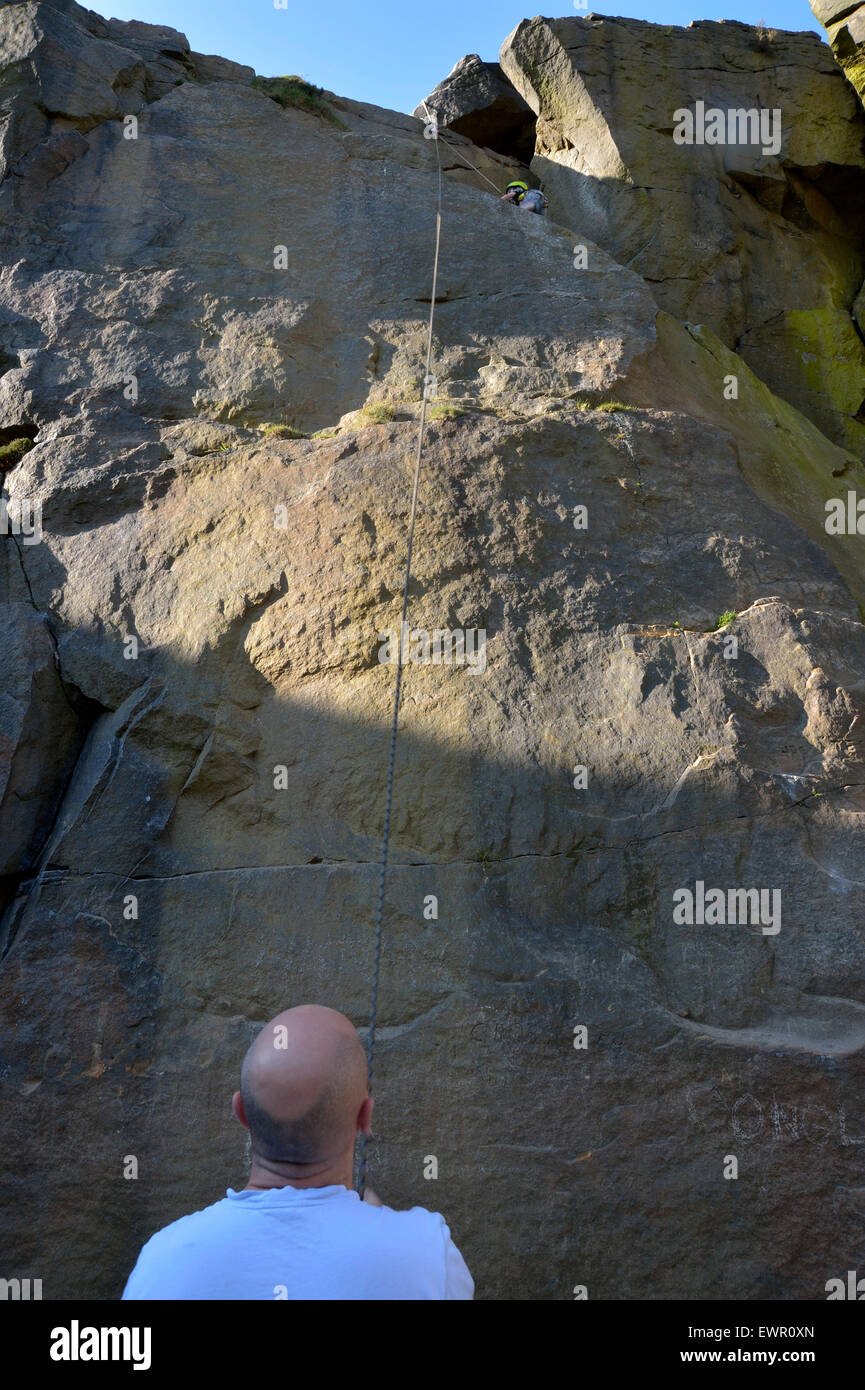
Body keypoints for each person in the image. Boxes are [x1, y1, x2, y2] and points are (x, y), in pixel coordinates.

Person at [121, 1004, 474, 1300]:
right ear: (365, 1116)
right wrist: (381, 1232)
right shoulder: (427, 1254)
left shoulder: (161, 1262)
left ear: (241, 1111)